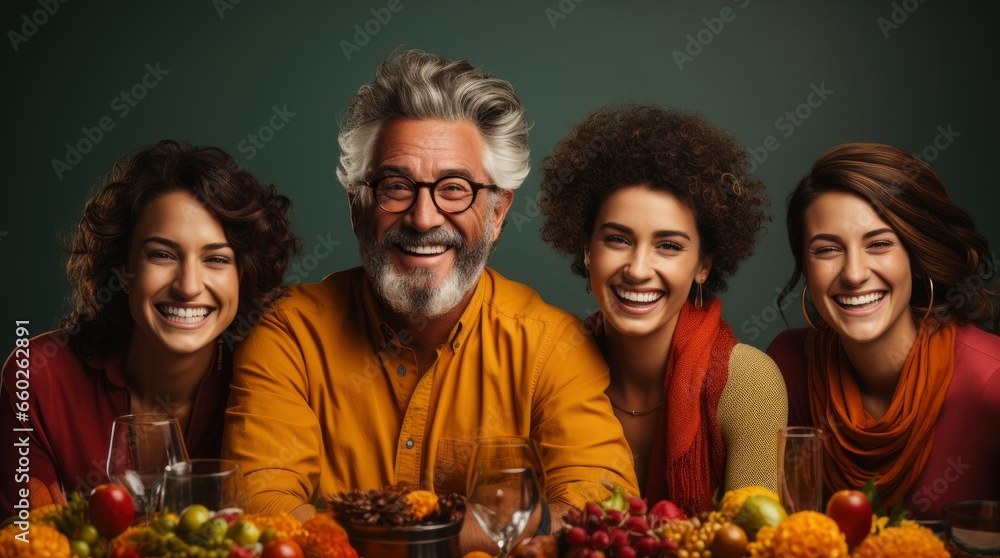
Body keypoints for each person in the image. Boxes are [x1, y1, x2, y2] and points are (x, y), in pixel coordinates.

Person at [222, 49, 639, 530]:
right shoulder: (289, 334)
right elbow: (262, 512)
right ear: (358, 206)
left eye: (455, 188)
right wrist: (492, 529)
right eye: (396, 186)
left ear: (498, 213)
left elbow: (600, 514)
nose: (423, 218)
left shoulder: (555, 347)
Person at [0, 140, 299, 518]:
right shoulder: (37, 376)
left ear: (244, 275)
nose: (188, 286)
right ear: (122, 269)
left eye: (217, 259)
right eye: (162, 254)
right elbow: (25, 537)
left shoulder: (272, 385)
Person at [538, 105, 788, 514]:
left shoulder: (747, 383)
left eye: (668, 246)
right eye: (618, 239)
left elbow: (757, 540)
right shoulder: (548, 368)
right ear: (586, 249)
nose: (637, 269)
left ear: (703, 265)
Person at [767, 142, 1000, 520]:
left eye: (879, 244)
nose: (855, 274)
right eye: (827, 250)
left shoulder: (992, 382)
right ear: (806, 267)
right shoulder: (787, 365)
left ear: (916, 254)